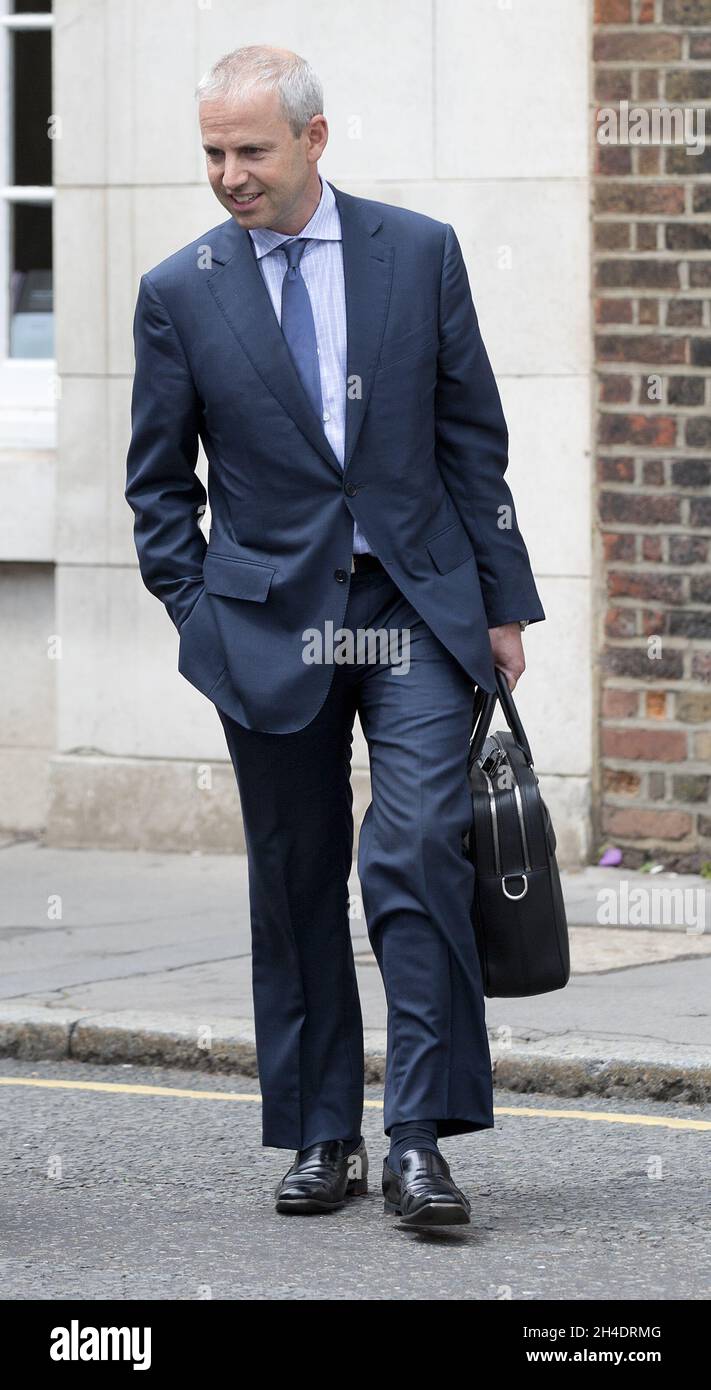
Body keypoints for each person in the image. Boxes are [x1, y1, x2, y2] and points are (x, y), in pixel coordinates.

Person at [125, 44, 545, 1228]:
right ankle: (321, 1133)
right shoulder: (180, 289)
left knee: (415, 851)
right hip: (266, 626)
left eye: (250, 149)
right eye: (211, 151)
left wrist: (502, 601)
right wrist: (198, 617)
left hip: (410, 605)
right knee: (295, 875)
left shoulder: (417, 253)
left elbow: (474, 438)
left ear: (315, 139)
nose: (228, 175)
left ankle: (419, 1138)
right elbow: (160, 485)